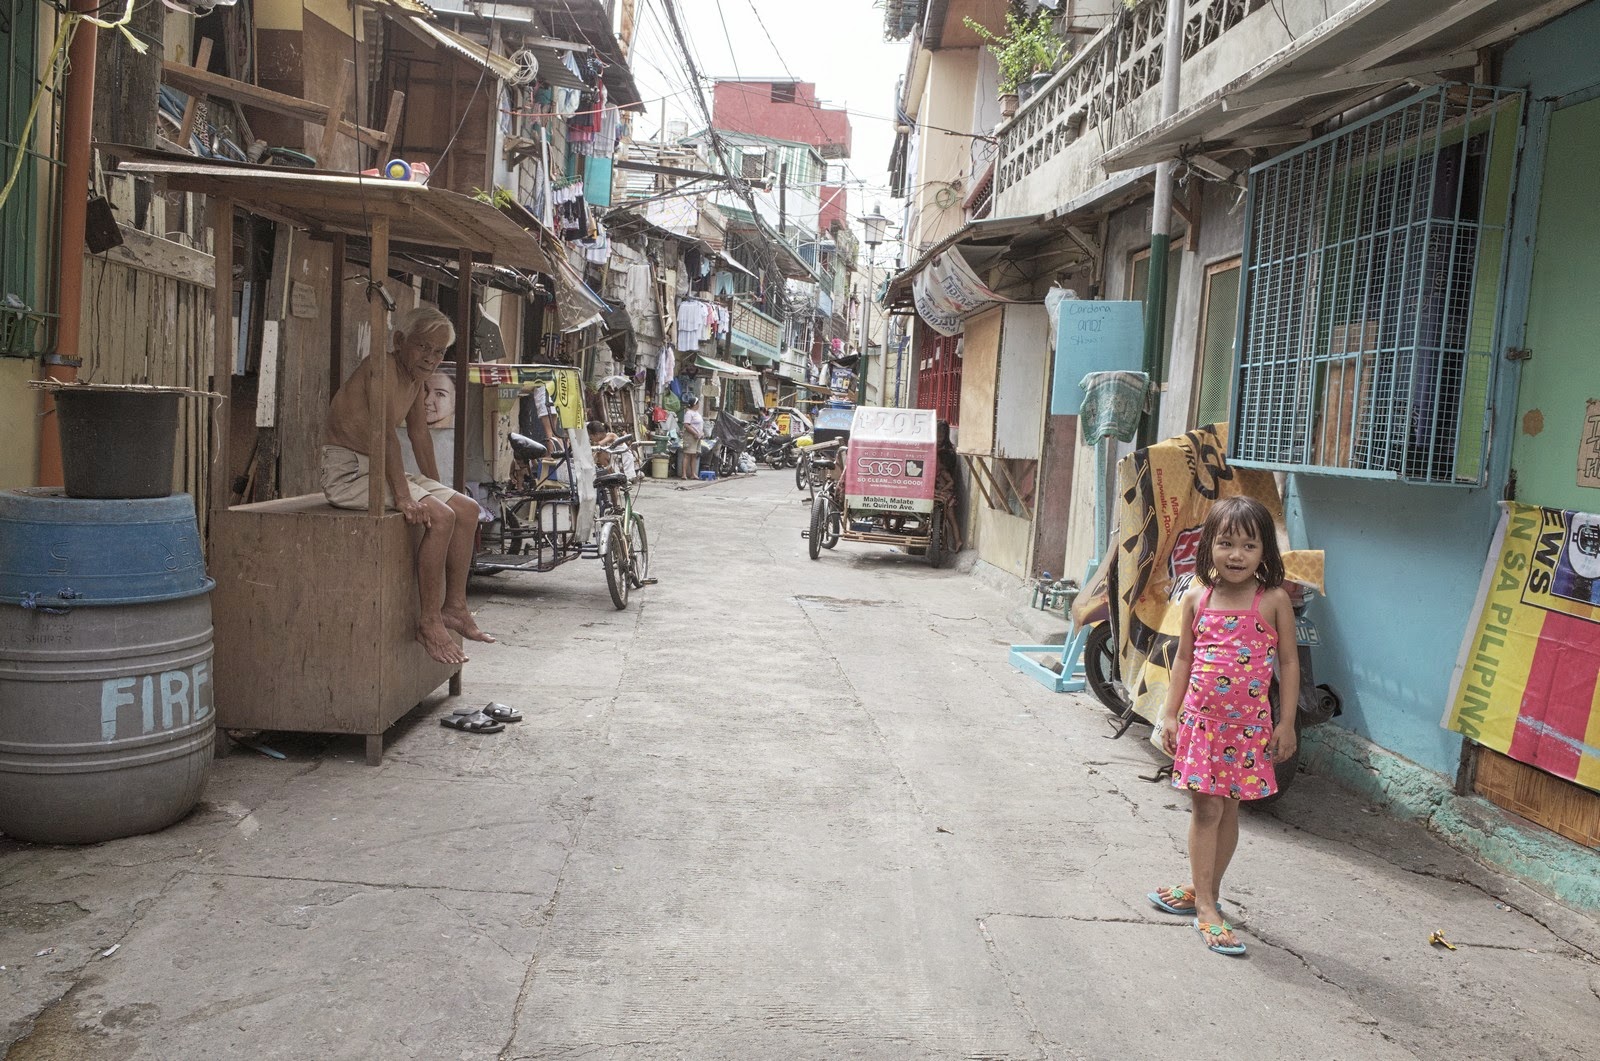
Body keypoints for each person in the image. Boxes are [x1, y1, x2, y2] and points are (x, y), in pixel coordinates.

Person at [1148, 495, 1298, 956]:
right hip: (1200, 724)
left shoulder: (1272, 601)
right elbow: (1185, 660)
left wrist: (1286, 723)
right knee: (1206, 810)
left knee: (1229, 810)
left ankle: (1202, 887)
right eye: (1226, 543)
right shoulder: (1197, 597)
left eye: (1248, 546)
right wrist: (1170, 714)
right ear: (1208, 545)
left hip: (1248, 729)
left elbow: (1289, 664)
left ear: (1263, 553)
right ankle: (1208, 907)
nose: (1236, 555)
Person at [320, 304, 496, 666]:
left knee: (465, 508)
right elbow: (383, 433)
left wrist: (436, 486)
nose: (431, 358)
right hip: (349, 474)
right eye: (423, 347)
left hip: (378, 469)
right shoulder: (381, 367)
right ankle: (429, 621)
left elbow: (418, 435)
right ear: (400, 342)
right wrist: (404, 495)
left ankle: (455, 607)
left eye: (439, 352)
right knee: (442, 517)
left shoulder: (415, 380)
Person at [679, 396, 703, 480]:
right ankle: (684, 474)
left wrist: (700, 433)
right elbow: (686, 425)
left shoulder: (697, 413)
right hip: (690, 436)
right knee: (687, 455)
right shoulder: (689, 413)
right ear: (694, 404)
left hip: (697, 437)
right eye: (698, 403)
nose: (699, 404)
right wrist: (694, 433)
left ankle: (693, 473)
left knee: (694, 455)